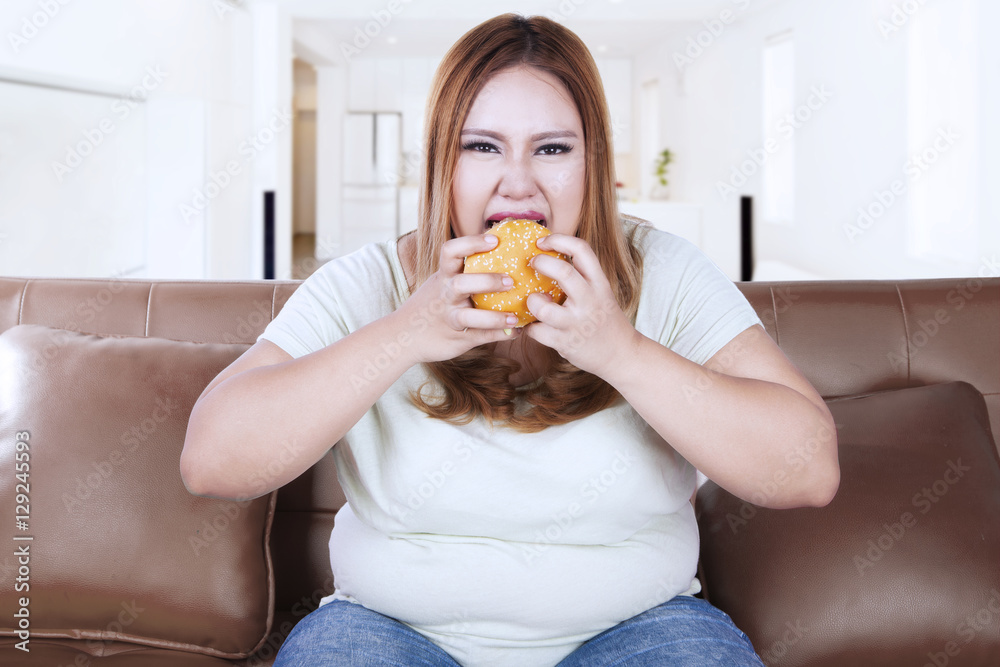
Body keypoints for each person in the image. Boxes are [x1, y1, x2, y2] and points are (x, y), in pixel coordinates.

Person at [180, 13, 839, 667]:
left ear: (594, 165)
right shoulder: (367, 283)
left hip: (639, 629)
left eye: (552, 148)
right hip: (390, 631)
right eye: (482, 146)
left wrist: (621, 351)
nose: (518, 183)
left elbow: (809, 467)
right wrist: (405, 333)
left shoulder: (664, 270)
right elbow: (212, 459)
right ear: (443, 164)